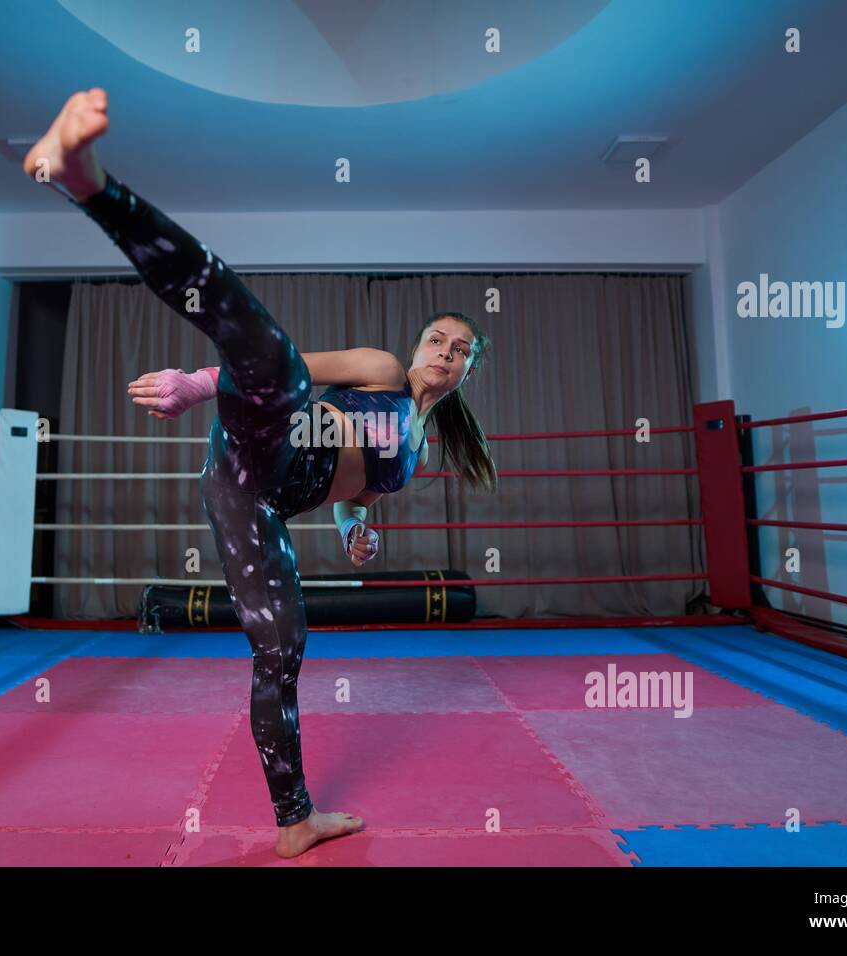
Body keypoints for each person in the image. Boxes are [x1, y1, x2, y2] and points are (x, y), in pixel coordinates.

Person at [25, 88, 498, 858]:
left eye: (459, 350)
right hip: (264, 440)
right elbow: (291, 370)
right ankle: (87, 183)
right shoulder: (379, 369)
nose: (443, 352)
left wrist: (357, 532)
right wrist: (194, 385)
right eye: (437, 338)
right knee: (269, 353)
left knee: (283, 649)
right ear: (417, 347)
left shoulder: (413, 447)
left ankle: (293, 822)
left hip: (264, 503)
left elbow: (355, 494)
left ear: (467, 371)